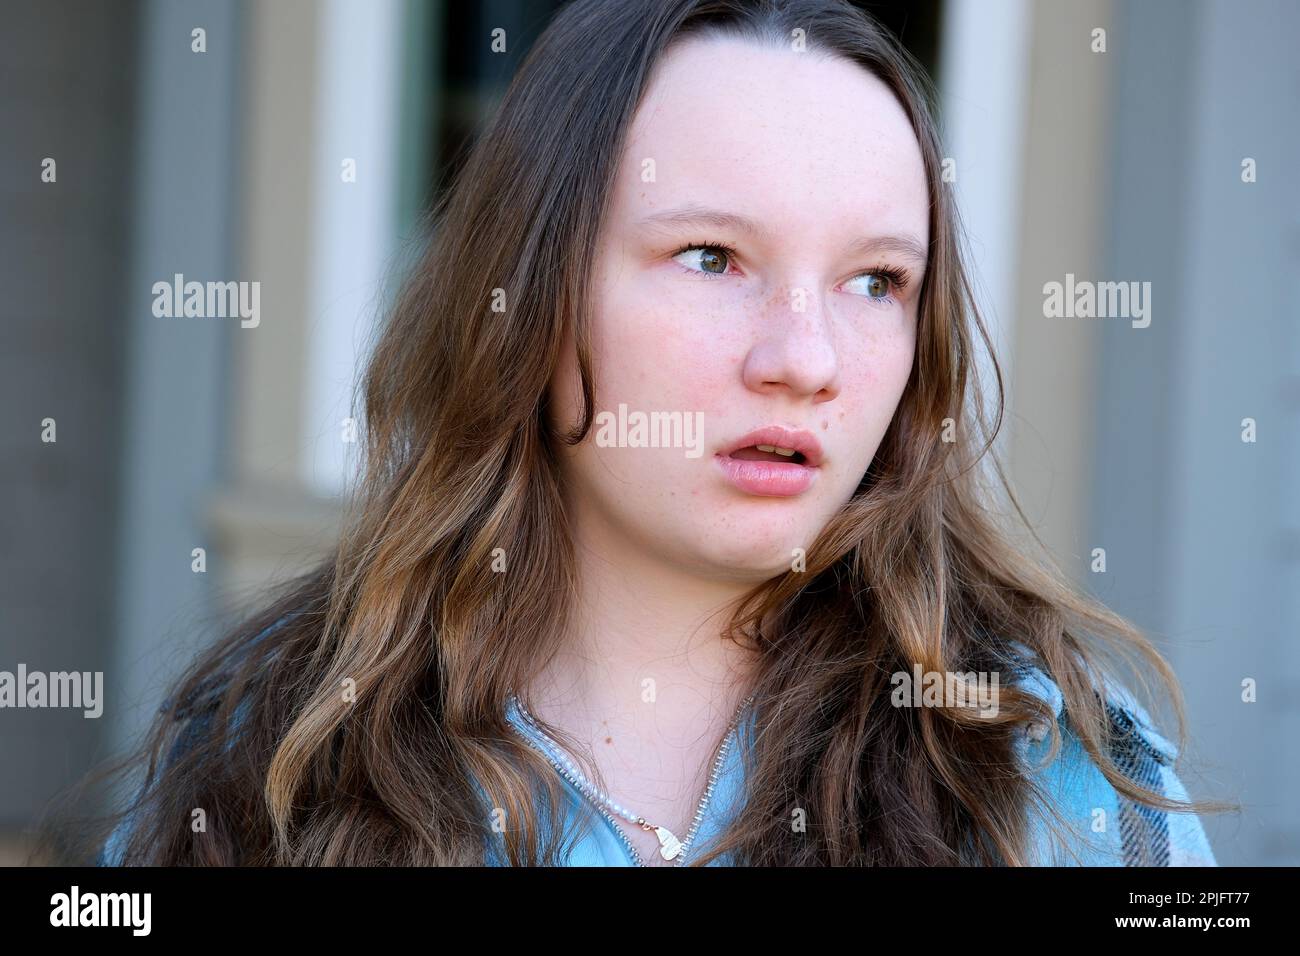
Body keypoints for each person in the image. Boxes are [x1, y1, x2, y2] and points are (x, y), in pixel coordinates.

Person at [88, 0, 1225, 866]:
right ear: (531, 294)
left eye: (877, 280)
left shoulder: (1058, 767)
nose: (806, 357)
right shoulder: (272, 750)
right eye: (710, 258)